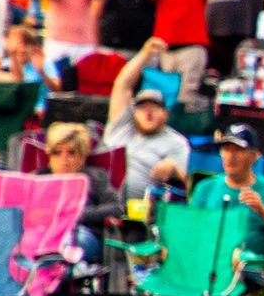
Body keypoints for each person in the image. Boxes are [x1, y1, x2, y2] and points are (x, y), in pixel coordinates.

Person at [187, 124, 264, 261]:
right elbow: (190, 229)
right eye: (226, 149)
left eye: (238, 150)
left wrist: (262, 211)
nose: (231, 156)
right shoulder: (205, 188)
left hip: (250, 267)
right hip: (207, 260)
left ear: (254, 156)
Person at [101, 40, 192, 200]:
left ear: (165, 114)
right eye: (142, 107)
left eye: (155, 107)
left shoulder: (176, 143)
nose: (148, 112)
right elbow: (122, 86)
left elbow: (187, 183)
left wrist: (173, 170)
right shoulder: (122, 125)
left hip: (139, 211)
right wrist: (145, 54)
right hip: (99, 199)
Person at [44, 120, 123, 261]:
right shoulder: (37, 177)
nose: (64, 159)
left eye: (71, 153)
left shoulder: (95, 177)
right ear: (49, 156)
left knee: (67, 244)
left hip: (81, 233)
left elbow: (116, 208)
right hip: (41, 233)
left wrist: (77, 215)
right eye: (57, 153)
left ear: (81, 157)